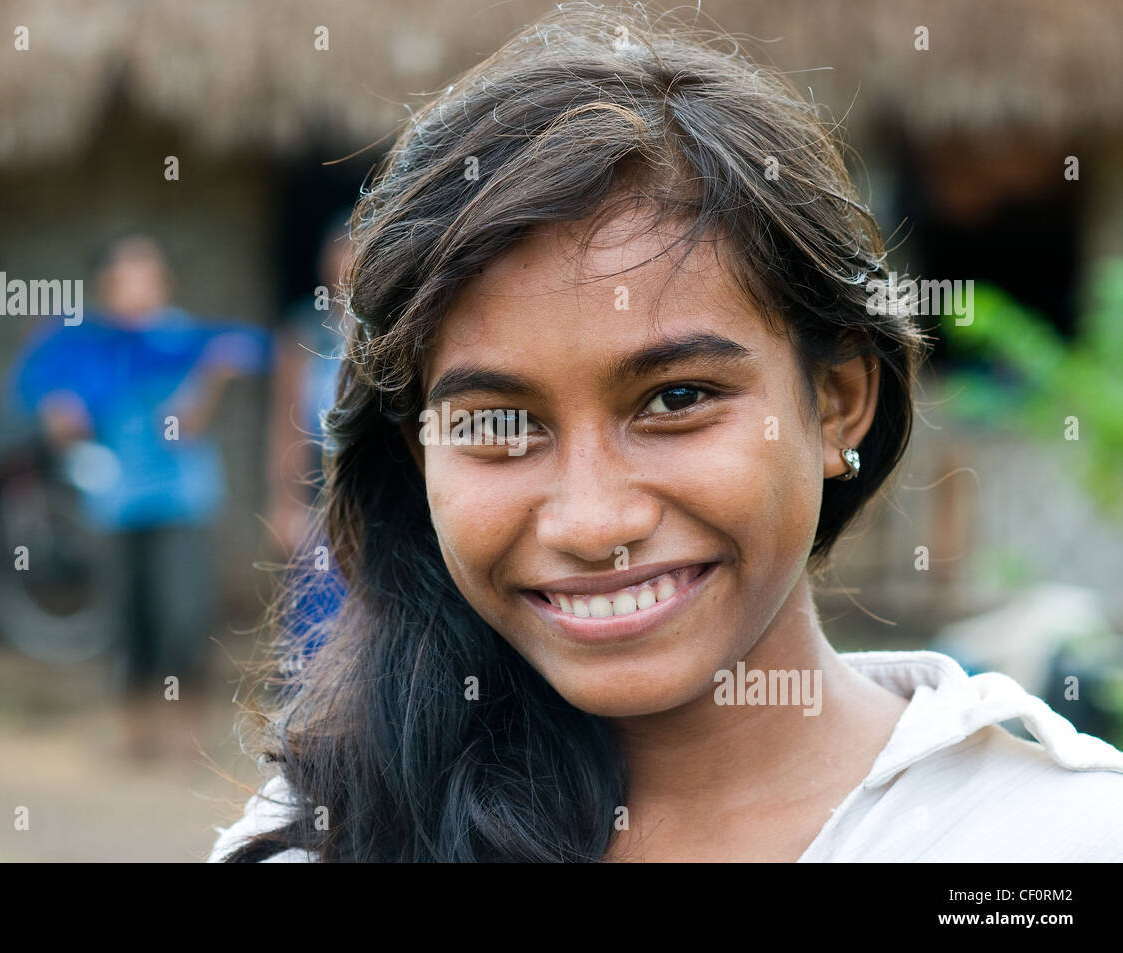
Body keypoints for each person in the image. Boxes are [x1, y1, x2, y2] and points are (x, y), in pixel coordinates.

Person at [210, 6, 1123, 861]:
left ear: (839, 399)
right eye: (496, 422)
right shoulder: (327, 835)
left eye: (677, 398)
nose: (593, 521)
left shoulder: (1041, 839)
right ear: (420, 456)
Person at [11, 234, 270, 758]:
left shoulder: (188, 343)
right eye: (127, 275)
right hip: (114, 502)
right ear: (106, 285)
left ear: (165, 283)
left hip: (181, 500)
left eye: (148, 274)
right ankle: (133, 732)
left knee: (184, 615)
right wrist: (58, 411)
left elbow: (193, 421)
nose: (138, 286)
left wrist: (210, 382)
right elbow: (42, 396)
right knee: (126, 620)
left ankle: (185, 733)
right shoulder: (85, 346)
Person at [264, 215, 351, 673]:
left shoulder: (396, 325)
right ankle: (317, 716)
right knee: (318, 604)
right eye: (338, 249)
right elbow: (288, 426)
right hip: (320, 485)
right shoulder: (305, 331)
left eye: (357, 248)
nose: (346, 261)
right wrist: (287, 503)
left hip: (377, 483)